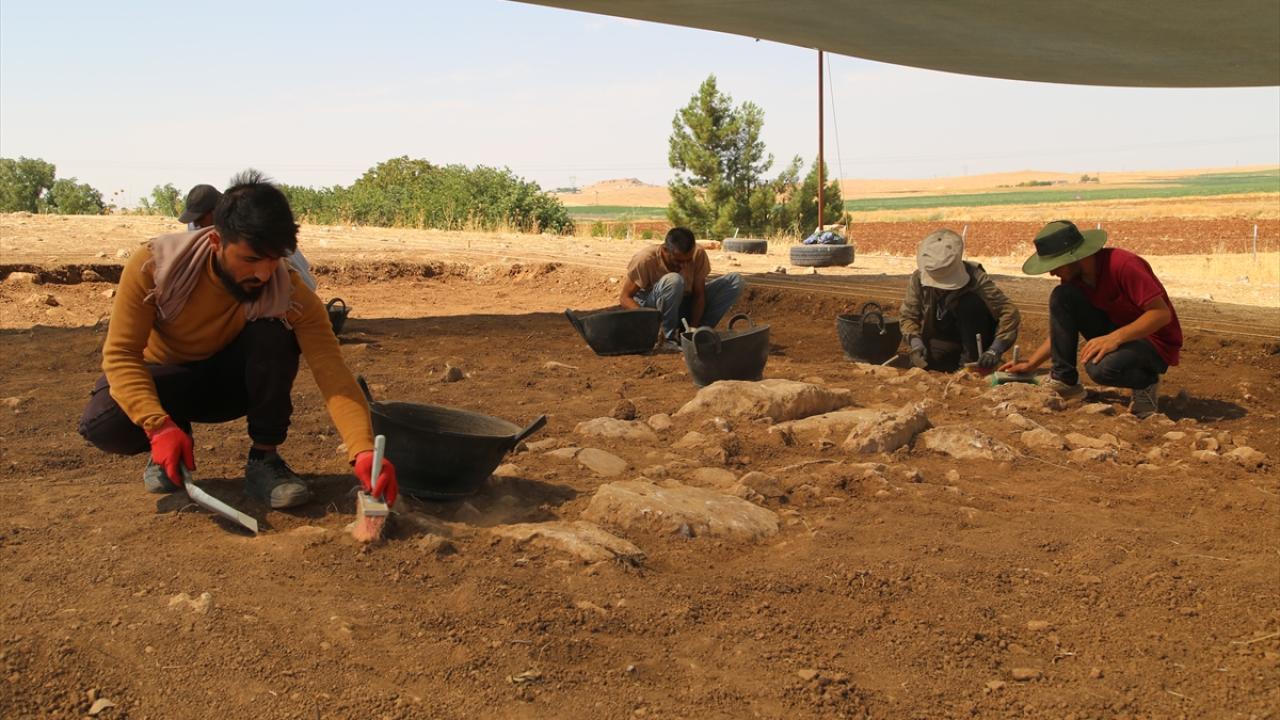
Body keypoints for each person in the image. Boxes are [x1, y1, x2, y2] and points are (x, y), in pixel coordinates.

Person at [78, 170, 396, 509]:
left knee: (274, 332)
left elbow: (332, 371)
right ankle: (173, 438)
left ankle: (264, 461)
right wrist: (158, 427)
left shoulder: (287, 291)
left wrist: (363, 450)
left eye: (274, 259)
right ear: (216, 241)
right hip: (166, 381)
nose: (263, 274)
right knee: (103, 423)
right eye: (251, 259)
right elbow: (122, 354)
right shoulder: (155, 266)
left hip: (230, 386)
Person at [1000, 220, 1182, 418]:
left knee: (1099, 368)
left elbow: (1161, 314)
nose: (1052, 272)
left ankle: (1146, 381)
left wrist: (1114, 338)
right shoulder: (1074, 278)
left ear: (1075, 257)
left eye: (1055, 265)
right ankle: (1065, 381)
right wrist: (1032, 364)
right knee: (1062, 295)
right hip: (1119, 331)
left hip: (1154, 341)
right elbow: (1062, 331)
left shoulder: (1124, 265)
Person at [899, 229, 1021, 372]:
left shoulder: (976, 277)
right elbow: (908, 315)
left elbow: (1009, 312)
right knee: (931, 363)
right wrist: (916, 343)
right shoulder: (918, 279)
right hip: (943, 337)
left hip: (974, 337)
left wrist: (996, 349)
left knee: (970, 304)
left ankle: (973, 361)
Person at [619, 226, 744, 351]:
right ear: (665, 250)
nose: (683, 265)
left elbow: (699, 295)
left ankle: (696, 335)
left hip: (682, 307)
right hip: (655, 312)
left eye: (687, 261)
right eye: (678, 261)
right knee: (674, 280)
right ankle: (667, 339)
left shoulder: (698, 254)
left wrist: (693, 327)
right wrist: (649, 321)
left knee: (735, 281)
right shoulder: (645, 259)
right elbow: (625, 297)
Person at [180, 183, 319, 292]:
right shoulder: (196, 228)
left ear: (214, 212)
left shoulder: (254, 226)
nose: (196, 224)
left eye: (200, 219)